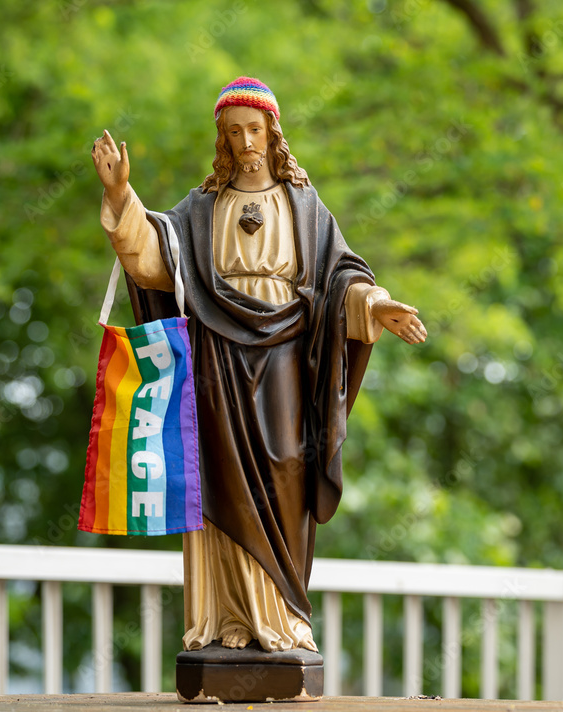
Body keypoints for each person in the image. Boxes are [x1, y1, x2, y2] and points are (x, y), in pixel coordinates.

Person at [91, 76, 427, 653]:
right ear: (221, 140)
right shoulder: (200, 210)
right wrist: (123, 198)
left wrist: (375, 304)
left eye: (254, 129)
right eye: (233, 133)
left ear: (273, 133)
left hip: (285, 359)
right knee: (219, 477)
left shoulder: (305, 206)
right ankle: (224, 621)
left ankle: (284, 620)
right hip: (216, 358)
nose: (245, 142)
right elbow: (153, 260)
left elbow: (339, 276)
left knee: (286, 469)